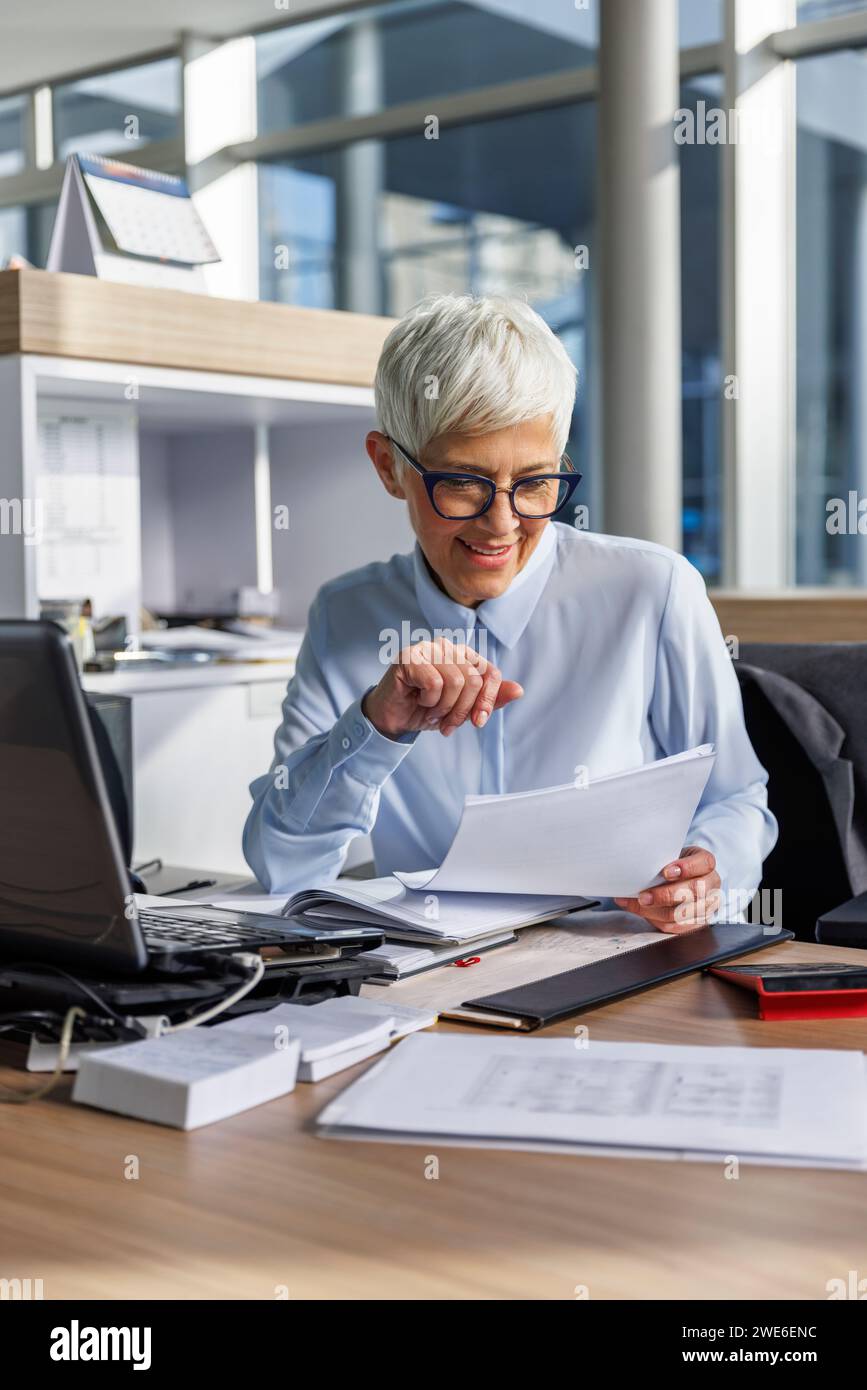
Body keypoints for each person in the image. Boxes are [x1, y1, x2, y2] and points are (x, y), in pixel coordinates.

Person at [244, 293, 776, 931]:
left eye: (534, 481)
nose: (502, 524)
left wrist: (705, 870)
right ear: (389, 466)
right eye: (463, 482)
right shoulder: (346, 615)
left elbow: (737, 800)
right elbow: (283, 871)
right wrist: (375, 727)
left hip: (616, 961)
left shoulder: (652, 590)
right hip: (431, 984)